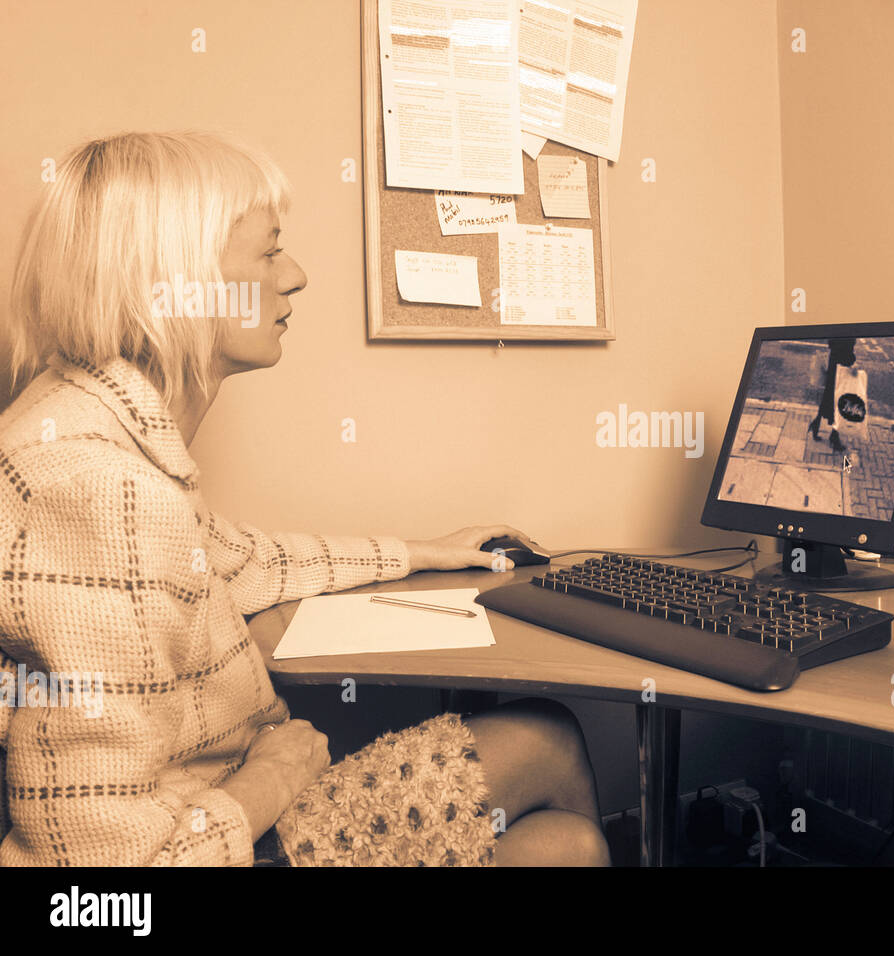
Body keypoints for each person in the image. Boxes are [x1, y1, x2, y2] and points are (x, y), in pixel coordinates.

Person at [0, 130, 609, 867]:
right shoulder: (95, 487)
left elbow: (245, 561)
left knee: (563, 828)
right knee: (549, 750)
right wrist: (274, 777)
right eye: (268, 252)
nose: (296, 276)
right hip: (220, 834)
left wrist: (425, 552)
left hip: (220, 805)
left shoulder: (95, 422)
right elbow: (99, 888)